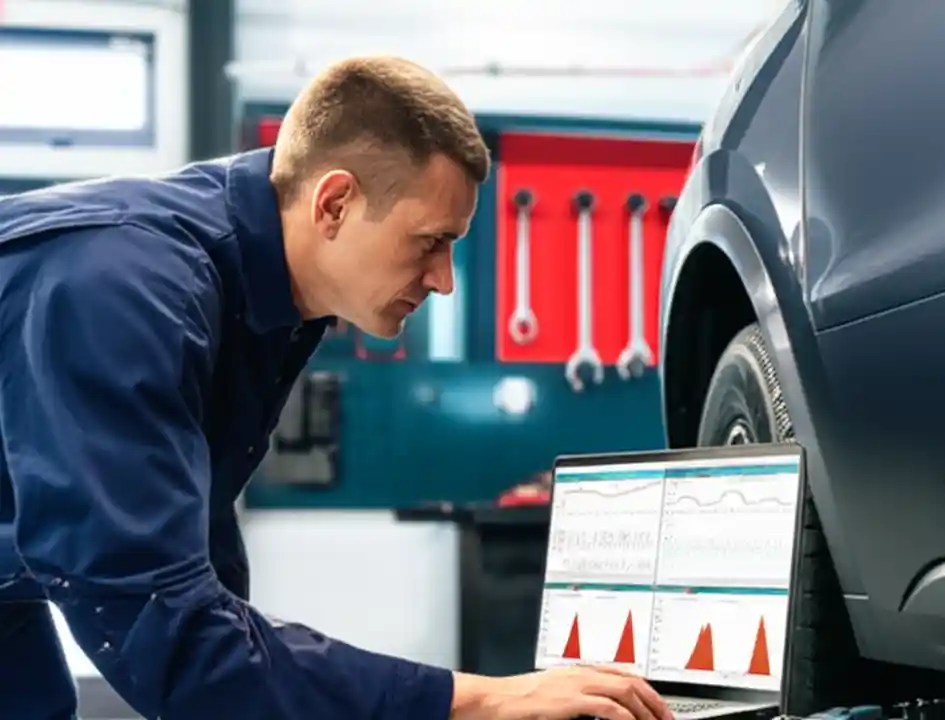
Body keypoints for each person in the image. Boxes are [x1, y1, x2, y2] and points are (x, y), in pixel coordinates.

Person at [0, 55, 671, 720]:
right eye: (430, 242)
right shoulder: (128, 291)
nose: (444, 280)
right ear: (335, 203)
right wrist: (485, 699)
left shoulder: (264, 299)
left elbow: (198, 566)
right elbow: (171, 634)